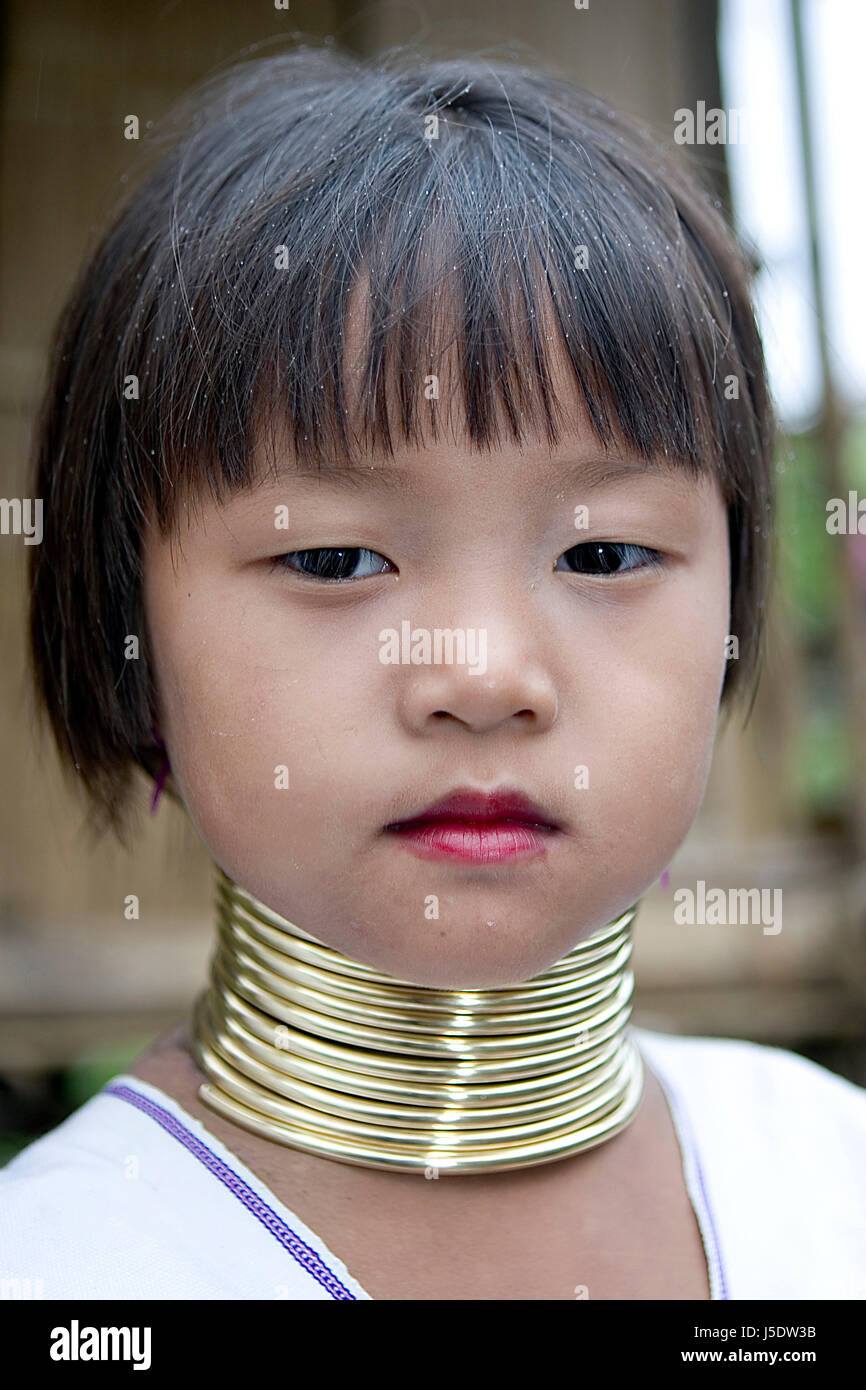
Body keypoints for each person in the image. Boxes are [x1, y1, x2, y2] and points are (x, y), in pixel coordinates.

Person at [3, 42, 865, 1301]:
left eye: (606, 550)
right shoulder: (61, 1270)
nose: (480, 674)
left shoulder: (824, 1175)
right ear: (130, 638)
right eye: (338, 558)